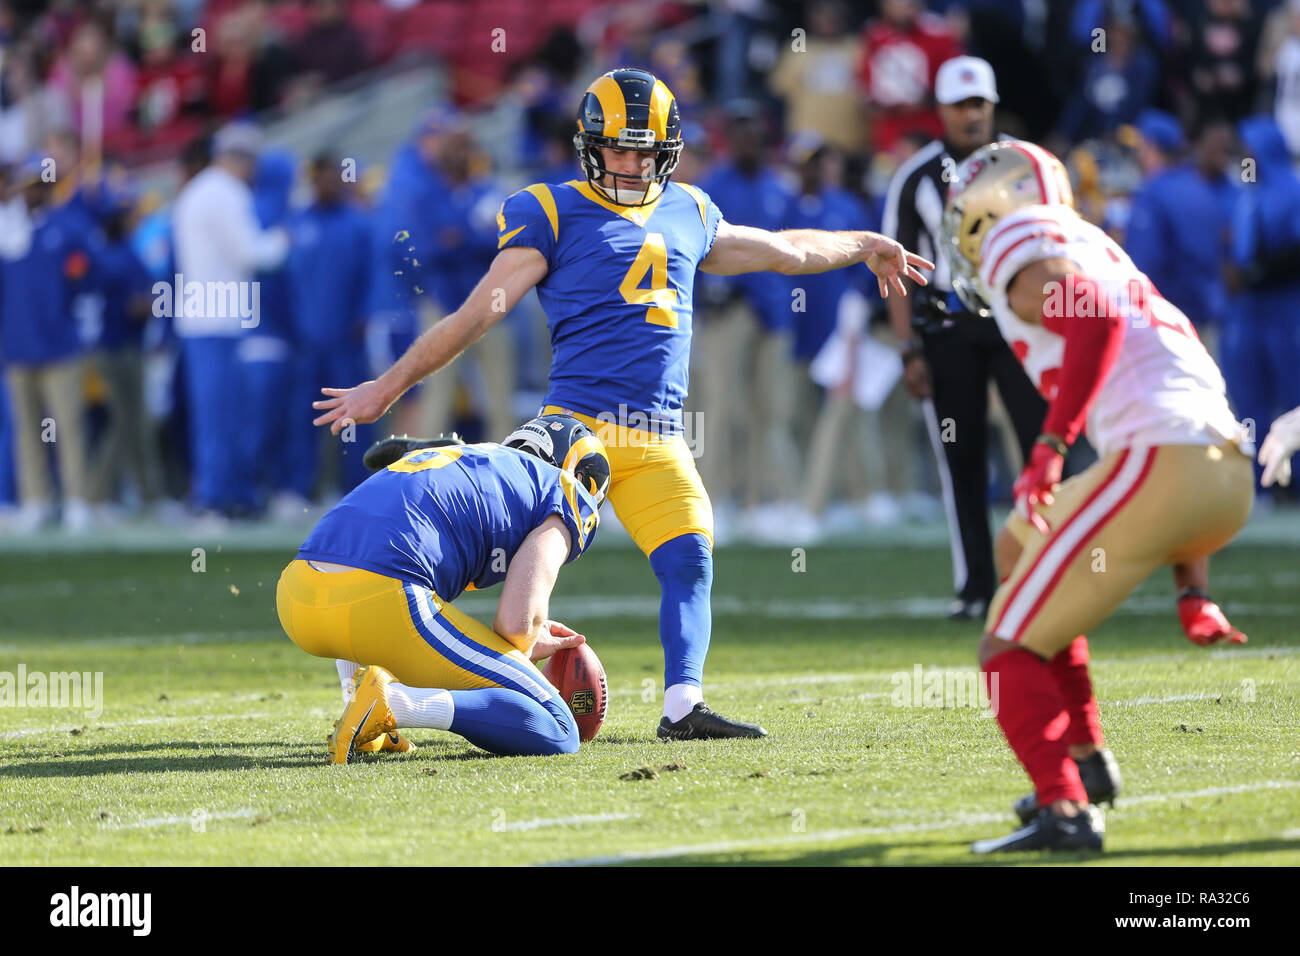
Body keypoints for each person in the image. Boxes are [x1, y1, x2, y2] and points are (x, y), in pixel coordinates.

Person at [312, 68, 933, 740]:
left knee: (691, 558)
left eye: (646, 152)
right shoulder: (552, 210)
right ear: (589, 145)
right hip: (575, 434)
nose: (633, 165)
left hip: (658, 435)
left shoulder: (689, 209)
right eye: (619, 149)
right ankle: (378, 656)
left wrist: (865, 245)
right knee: (492, 570)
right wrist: (388, 387)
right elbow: (475, 315)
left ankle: (682, 707)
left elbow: (785, 251)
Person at [942, 141, 1254, 853]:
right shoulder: (1100, 248)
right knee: (1018, 546)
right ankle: (1085, 759)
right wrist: (1192, 586)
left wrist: (1049, 449)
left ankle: (1066, 810)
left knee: (1004, 646)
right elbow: (1180, 400)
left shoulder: (1022, 237)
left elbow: (1095, 322)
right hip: (1220, 474)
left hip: (1162, 462)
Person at [276, 416, 607, 762]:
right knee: (560, 727)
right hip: (378, 600)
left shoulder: (462, 458)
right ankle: (394, 705)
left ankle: (362, 721)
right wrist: (525, 640)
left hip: (297, 597)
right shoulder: (562, 489)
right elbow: (517, 624)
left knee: (376, 569)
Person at [884, 55, 1046, 619]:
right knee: (962, 459)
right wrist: (908, 348)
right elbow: (895, 266)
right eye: (959, 105)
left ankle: (1051, 576)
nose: (970, 115)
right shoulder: (916, 176)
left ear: (992, 106)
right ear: (941, 110)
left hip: (1017, 322)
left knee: (1043, 450)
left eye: (978, 104)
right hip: (948, 327)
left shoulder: (1027, 165)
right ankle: (977, 586)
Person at [171, 122, 288, 520]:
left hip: (201, 319)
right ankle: (219, 497)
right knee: (224, 417)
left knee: (215, 416)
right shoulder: (227, 193)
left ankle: (225, 494)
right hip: (219, 322)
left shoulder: (197, 190)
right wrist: (283, 240)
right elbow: (251, 254)